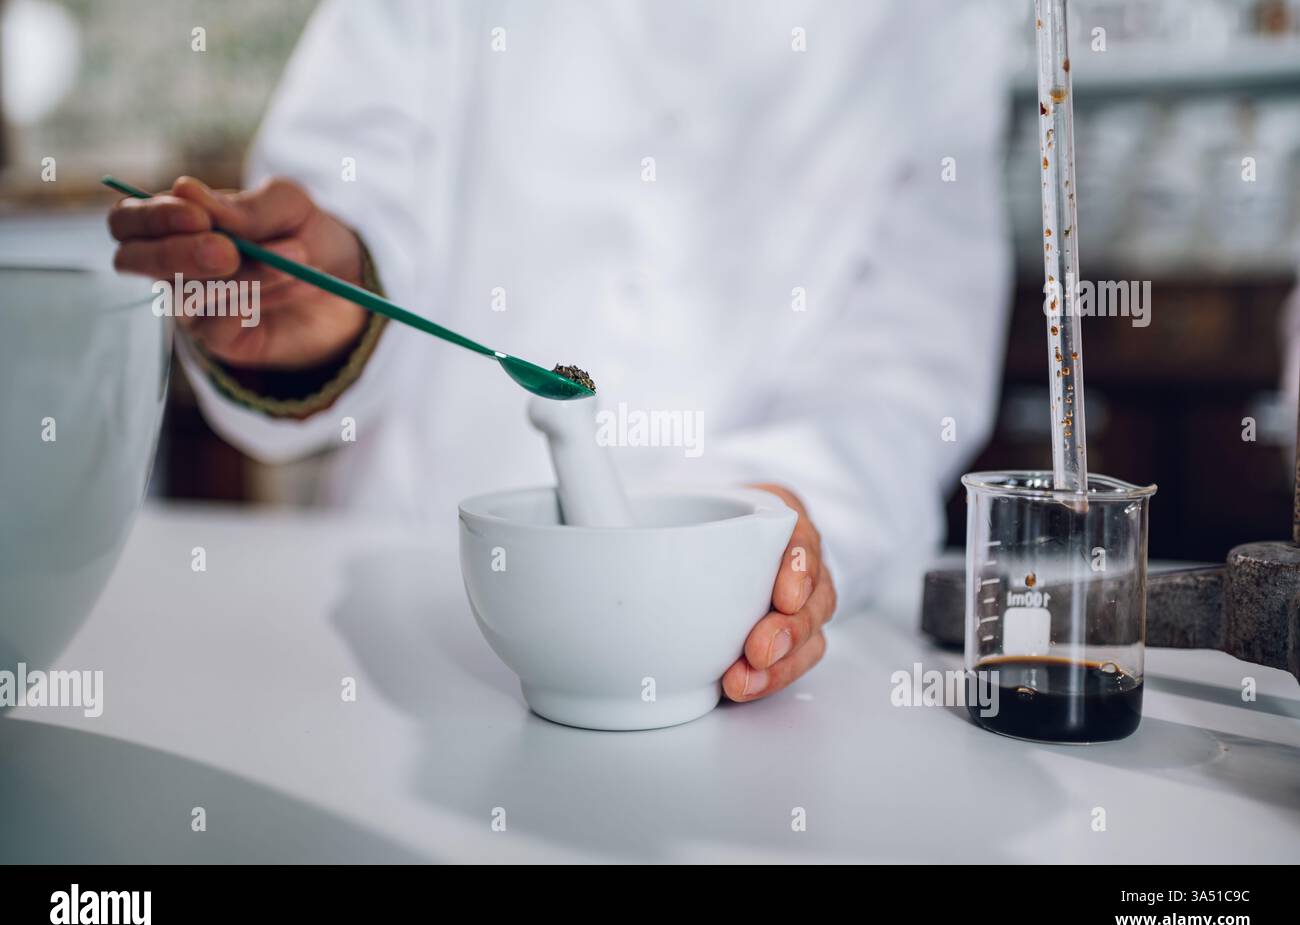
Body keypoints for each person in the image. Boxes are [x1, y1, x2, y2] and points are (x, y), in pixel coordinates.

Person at [108, 0, 1011, 703]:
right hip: (419, 616)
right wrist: (323, 303)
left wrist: (780, 523)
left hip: (746, 653)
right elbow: (347, 199)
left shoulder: (936, 20)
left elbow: (909, 362)